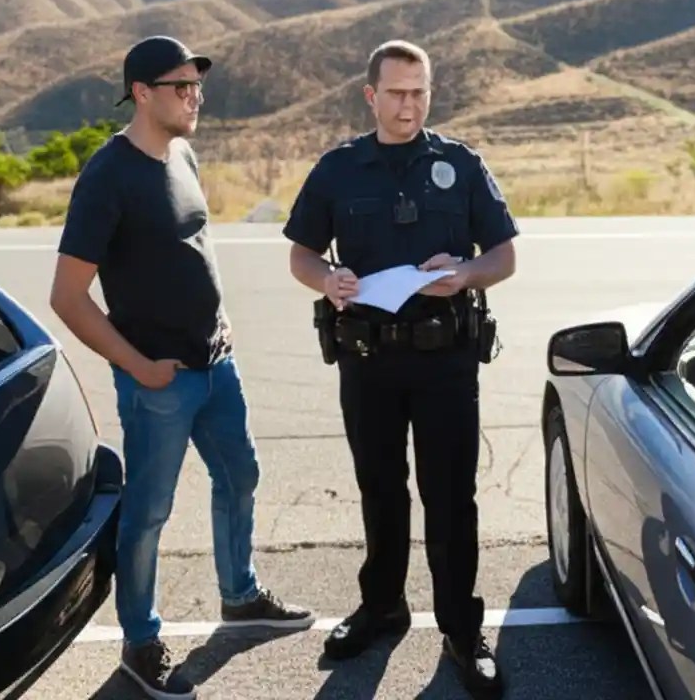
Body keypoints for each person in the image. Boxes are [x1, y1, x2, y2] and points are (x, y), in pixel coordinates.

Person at [49, 35, 314, 700]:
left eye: (197, 86)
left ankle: (241, 597)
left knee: (240, 475)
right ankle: (140, 642)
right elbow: (67, 297)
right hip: (158, 382)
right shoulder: (107, 176)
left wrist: (219, 327)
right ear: (141, 92)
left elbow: (192, 249)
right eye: (180, 87)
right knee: (150, 511)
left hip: (216, 364)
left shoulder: (183, 153)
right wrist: (138, 366)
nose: (195, 97)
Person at [282, 39, 518, 699]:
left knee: (450, 497)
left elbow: (503, 254)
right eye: (396, 92)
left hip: (446, 359)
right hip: (367, 360)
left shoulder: (460, 164)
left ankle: (462, 631)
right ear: (371, 96)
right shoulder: (338, 170)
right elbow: (302, 254)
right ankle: (382, 606)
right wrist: (326, 279)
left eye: (419, 92)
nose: (408, 104)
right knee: (380, 490)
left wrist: (467, 273)